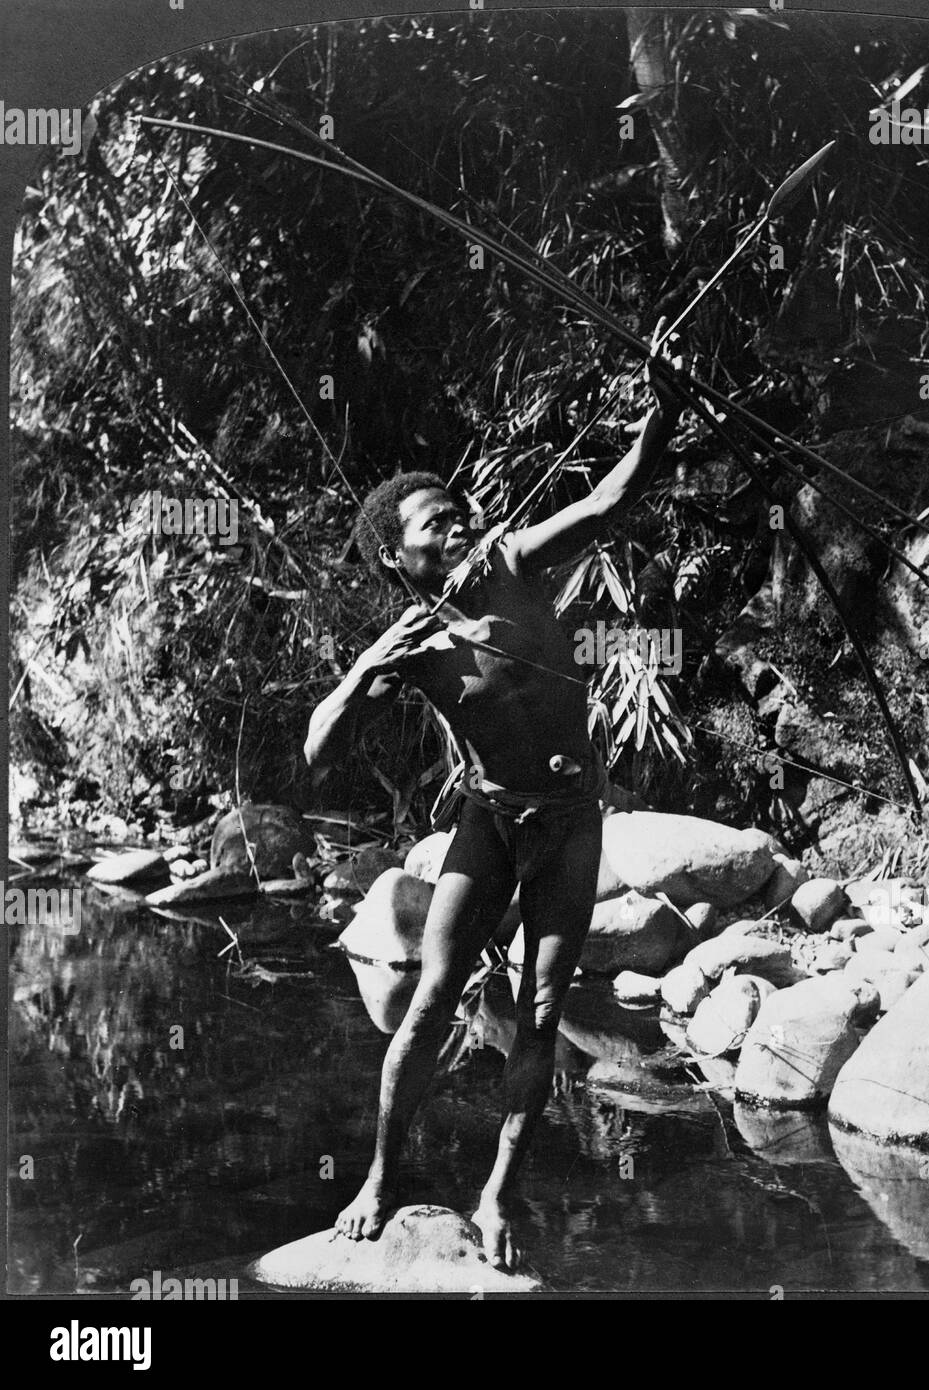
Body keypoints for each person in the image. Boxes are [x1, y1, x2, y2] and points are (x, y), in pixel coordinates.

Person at [304, 362, 683, 1270]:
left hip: (569, 821)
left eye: (458, 509)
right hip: (488, 823)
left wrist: (659, 421)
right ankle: (380, 1179)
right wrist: (362, 674)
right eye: (436, 522)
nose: (460, 522)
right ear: (400, 557)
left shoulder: (513, 562)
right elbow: (316, 756)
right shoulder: (413, 643)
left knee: (545, 1008)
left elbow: (605, 503)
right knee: (432, 1000)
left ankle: (500, 1192)